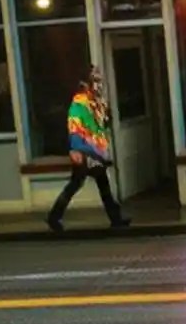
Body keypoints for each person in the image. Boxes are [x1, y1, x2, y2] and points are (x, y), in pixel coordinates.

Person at [47, 65, 130, 233]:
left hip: (94, 153)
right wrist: (90, 153)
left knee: (101, 185)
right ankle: (54, 217)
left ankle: (116, 219)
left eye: (99, 80)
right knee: (75, 185)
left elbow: (99, 127)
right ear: (86, 83)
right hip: (84, 154)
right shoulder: (79, 105)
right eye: (95, 80)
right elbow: (76, 134)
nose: (98, 84)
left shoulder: (93, 104)